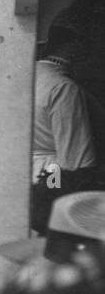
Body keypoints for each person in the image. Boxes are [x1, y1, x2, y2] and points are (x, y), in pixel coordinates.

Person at [31, 25, 100, 232]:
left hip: (19, 183)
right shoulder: (62, 87)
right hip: (50, 181)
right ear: (71, 48)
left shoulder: (21, 80)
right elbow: (74, 161)